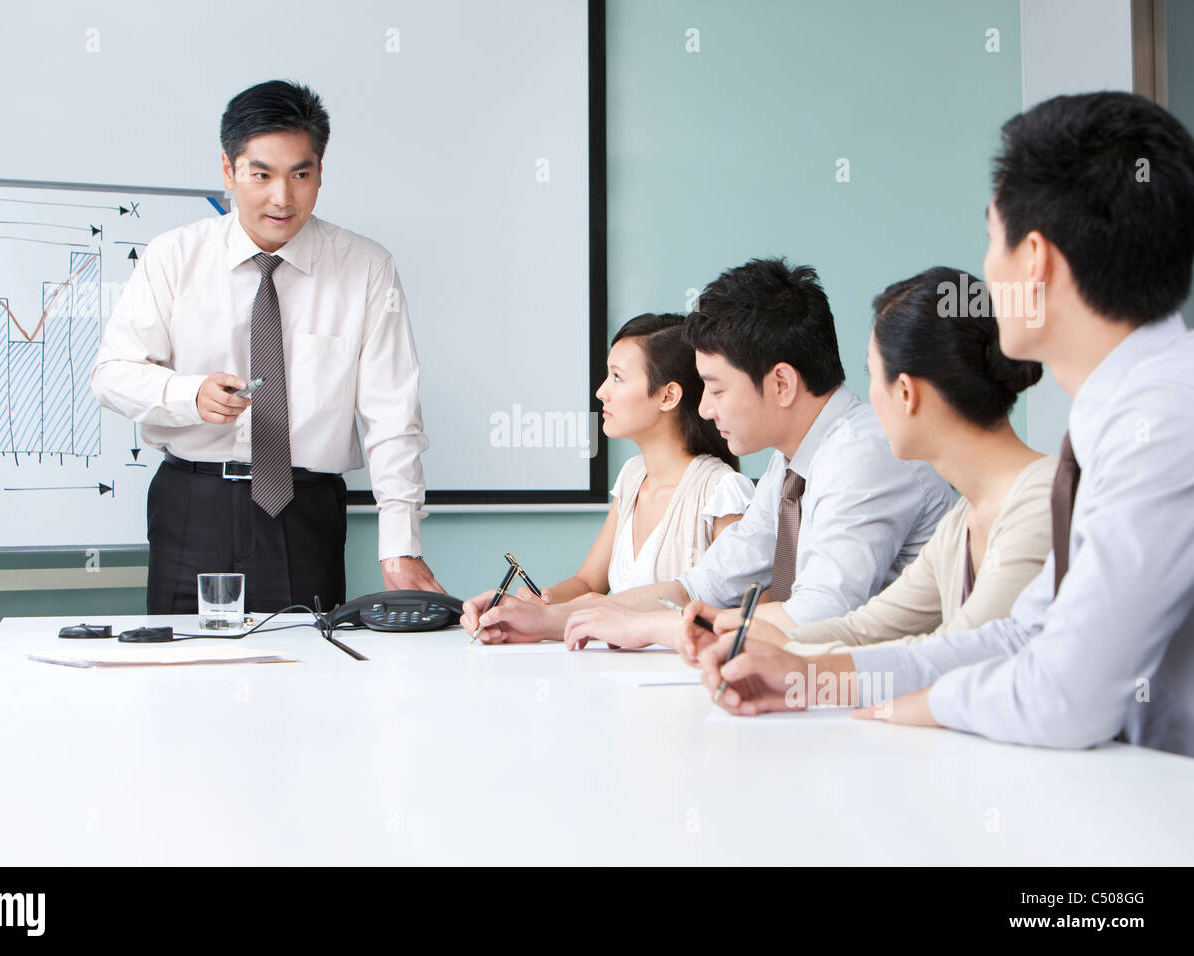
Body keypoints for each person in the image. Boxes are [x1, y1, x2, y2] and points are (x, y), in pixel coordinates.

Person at [692, 92, 1194, 757]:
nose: (985, 269)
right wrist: (817, 679)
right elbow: (1021, 638)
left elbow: (1062, 697)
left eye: (992, 237)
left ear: (1035, 258)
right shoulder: (1123, 413)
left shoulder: (1160, 422)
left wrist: (911, 706)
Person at [461, 258, 954, 649]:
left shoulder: (861, 454)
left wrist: (657, 629)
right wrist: (549, 619)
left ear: (781, 382)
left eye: (716, 388)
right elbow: (704, 584)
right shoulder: (792, 461)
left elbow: (820, 613)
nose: (705, 407)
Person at [91, 80, 442, 612]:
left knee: (305, 678)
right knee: (181, 678)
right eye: (262, 174)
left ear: (320, 173)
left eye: (301, 174)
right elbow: (112, 375)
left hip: (305, 512)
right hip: (193, 502)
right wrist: (188, 394)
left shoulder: (366, 268)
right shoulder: (172, 257)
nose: (283, 197)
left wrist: (400, 545)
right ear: (229, 171)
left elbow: (393, 416)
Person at [683, 267, 1054, 658]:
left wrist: (807, 675)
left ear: (906, 393)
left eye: (872, 377)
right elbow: (862, 629)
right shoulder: (964, 519)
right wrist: (733, 632)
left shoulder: (1038, 499)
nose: (865, 402)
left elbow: (955, 655)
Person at [533, 313, 754, 604]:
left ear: (667, 396)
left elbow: (747, 614)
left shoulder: (721, 491)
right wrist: (537, 601)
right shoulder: (632, 477)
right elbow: (587, 583)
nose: (601, 392)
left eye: (617, 377)